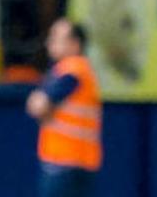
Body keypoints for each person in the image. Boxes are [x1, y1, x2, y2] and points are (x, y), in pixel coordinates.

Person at [26, 19, 102, 197]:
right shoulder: (80, 70)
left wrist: (40, 103)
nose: (49, 43)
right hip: (81, 162)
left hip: (64, 164)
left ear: (75, 44)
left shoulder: (72, 70)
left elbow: (38, 104)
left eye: (56, 38)